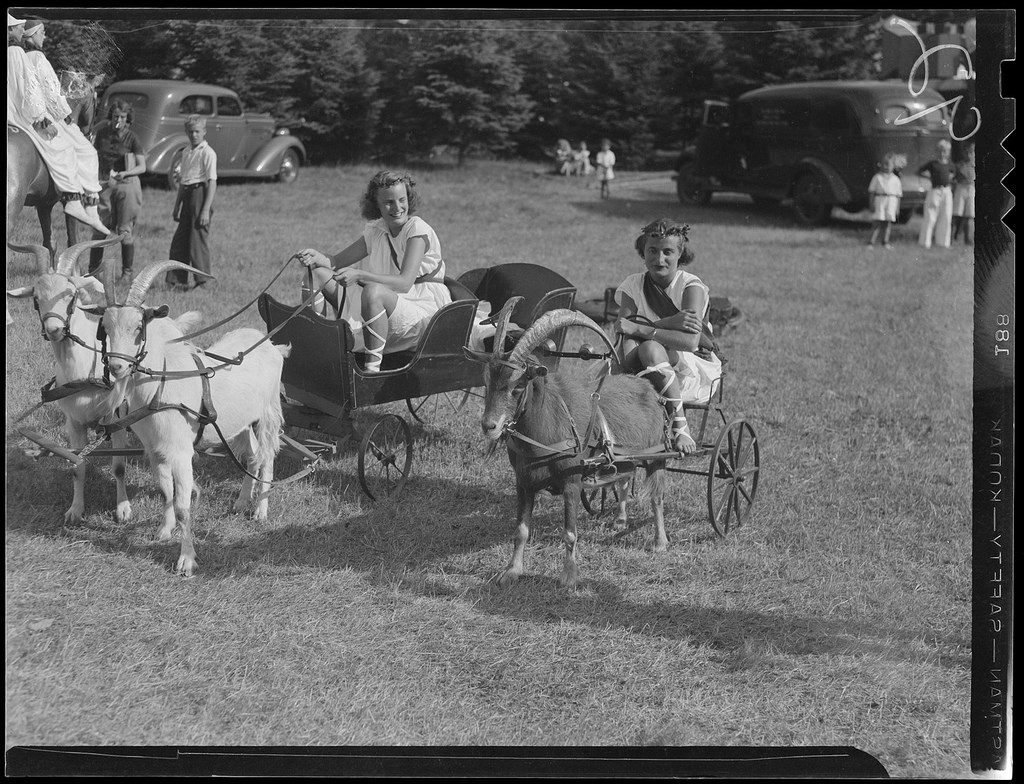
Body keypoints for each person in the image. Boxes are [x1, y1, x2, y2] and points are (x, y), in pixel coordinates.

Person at [293, 170, 452, 373]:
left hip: (422, 310)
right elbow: (334, 261)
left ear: (409, 200)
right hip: (389, 302)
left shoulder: (417, 230)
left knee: (372, 291)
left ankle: (371, 369)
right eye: (388, 202)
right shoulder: (376, 230)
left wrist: (360, 275)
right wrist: (317, 258)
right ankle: (315, 346)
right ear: (375, 204)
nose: (397, 208)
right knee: (316, 273)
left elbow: (405, 282)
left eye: (402, 200)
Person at [613, 218, 723, 454]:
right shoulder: (633, 285)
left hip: (689, 370)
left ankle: (680, 426)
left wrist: (643, 330)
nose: (659, 259)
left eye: (667, 252)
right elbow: (623, 329)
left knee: (649, 347)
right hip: (639, 365)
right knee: (637, 345)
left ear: (680, 254)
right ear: (642, 252)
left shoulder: (690, 286)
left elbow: (690, 342)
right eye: (652, 251)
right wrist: (668, 323)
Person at [6, 14, 108, 235]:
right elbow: (37, 89)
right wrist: (49, 117)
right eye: (42, 32)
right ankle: (77, 199)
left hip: (14, 112)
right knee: (74, 149)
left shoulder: (19, 53)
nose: (45, 35)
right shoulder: (25, 55)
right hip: (29, 114)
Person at [88, 99, 147, 281]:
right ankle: (93, 271)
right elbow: (93, 157)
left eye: (122, 117)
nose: (118, 120)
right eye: (115, 116)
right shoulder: (102, 134)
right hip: (105, 183)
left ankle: (127, 273)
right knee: (99, 227)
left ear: (127, 118)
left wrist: (126, 173)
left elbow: (142, 166)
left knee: (124, 230)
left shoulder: (132, 138)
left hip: (127, 185)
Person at [166, 115, 217, 289]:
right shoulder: (186, 152)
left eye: (197, 131)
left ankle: (202, 281)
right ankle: (176, 280)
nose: (194, 135)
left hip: (200, 195)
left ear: (204, 132)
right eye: (190, 131)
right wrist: (177, 205)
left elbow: (212, 181)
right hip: (187, 194)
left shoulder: (208, 153)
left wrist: (205, 210)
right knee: (180, 240)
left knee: (197, 240)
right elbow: (183, 181)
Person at [917, 138, 956, 249]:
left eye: (944, 151)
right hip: (935, 190)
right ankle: (925, 242)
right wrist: (930, 178)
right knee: (930, 215)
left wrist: (949, 179)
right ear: (936, 151)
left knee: (946, 216)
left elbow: (953, 175)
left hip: (946, 191)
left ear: (948, 153)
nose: (942, 153)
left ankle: (943, 243)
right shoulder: (932, 164)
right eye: (940, 151)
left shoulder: (950, 165)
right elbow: (919, 171)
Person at [866, 152, 903, 249]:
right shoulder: (877, 177)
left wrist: (897, 208)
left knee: (887, 223)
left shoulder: (896, 180)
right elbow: (872, 192)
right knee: (877, 222)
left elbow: (898, 195)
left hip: (891, 201)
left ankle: (885, 241)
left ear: (893, 166)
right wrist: (871, 203)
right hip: (880, 200)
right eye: (884, 164)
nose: (886, 167)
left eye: (889, 164)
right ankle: (871, 242)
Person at [951, 142, 976, 246]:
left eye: (972, 152)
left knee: (969, 215)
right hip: (961, 187)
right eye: (967, 152)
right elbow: (953, 178)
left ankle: (968, 239)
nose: (969, 154)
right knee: (956, 214)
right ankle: (950, 238)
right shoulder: (959, 165)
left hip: (971, 188)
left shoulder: (976, 164)